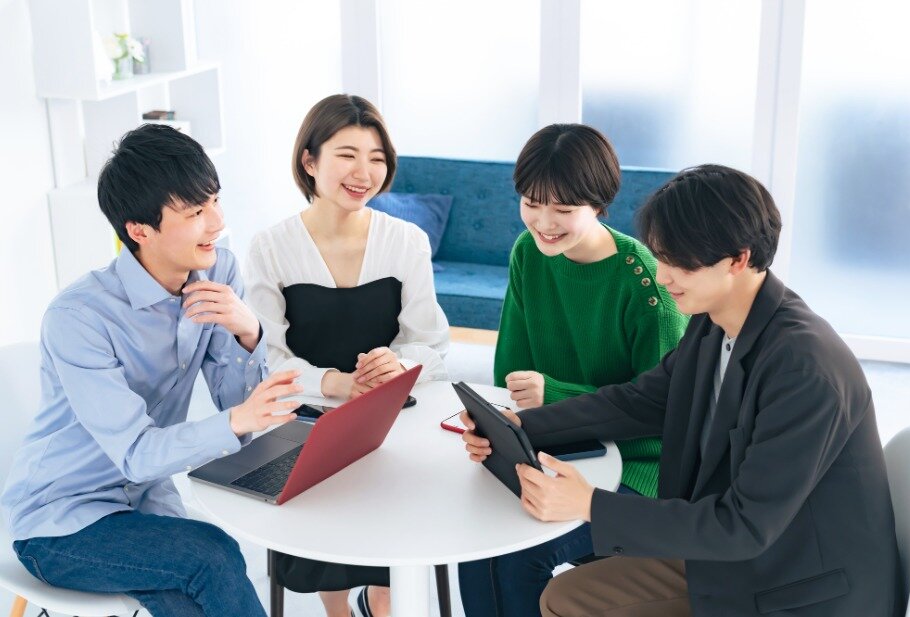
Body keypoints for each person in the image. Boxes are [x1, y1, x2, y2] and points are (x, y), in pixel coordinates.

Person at [461, 164, 903, 617]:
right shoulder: (714, 321)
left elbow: (744, 526)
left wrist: (589, 504)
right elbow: (642, 400)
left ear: (738, 260)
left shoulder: (804, 369)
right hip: (729, 553)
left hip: (792, 585)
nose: (663, 276)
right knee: (559, 594)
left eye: (681, 264)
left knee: (563, 599)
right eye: (662, 257)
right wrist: (520, 427)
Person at [1, 123, 303, 617]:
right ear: (140, 230)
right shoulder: (79, 318)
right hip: (61, 521)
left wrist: (248, 332)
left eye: (215, 202)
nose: (217, 223)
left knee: (189, 588)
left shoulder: (218, 271)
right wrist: (237, 420)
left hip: (144, 500)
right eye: (195, 212)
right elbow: (138, 454)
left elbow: (238, 407)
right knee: (212, 555)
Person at [457, 123, 687, 617]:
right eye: (531, 203)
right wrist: (495, 429)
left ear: (599, 205)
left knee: (514, 553)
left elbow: (664, 413)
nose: (543, 223)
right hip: (556, 445)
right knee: (476, 537)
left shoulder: (647, 285)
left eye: (563, 210)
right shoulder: (528, 253)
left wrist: (555, 394)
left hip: (640, 467)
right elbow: (509, 378)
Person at [245, 93, 450, 617]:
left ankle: (381, 600)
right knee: (322, 534)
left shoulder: (406, 241)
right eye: (347, 155)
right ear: (309, 161)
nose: (364, 172)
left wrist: (399, 365)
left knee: (402, 526)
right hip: (306, 419)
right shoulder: (270, 247)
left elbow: (432, 342)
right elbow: (266, 359)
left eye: (377, 158)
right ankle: (338, 608)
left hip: (392, 419)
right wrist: (335, 383)